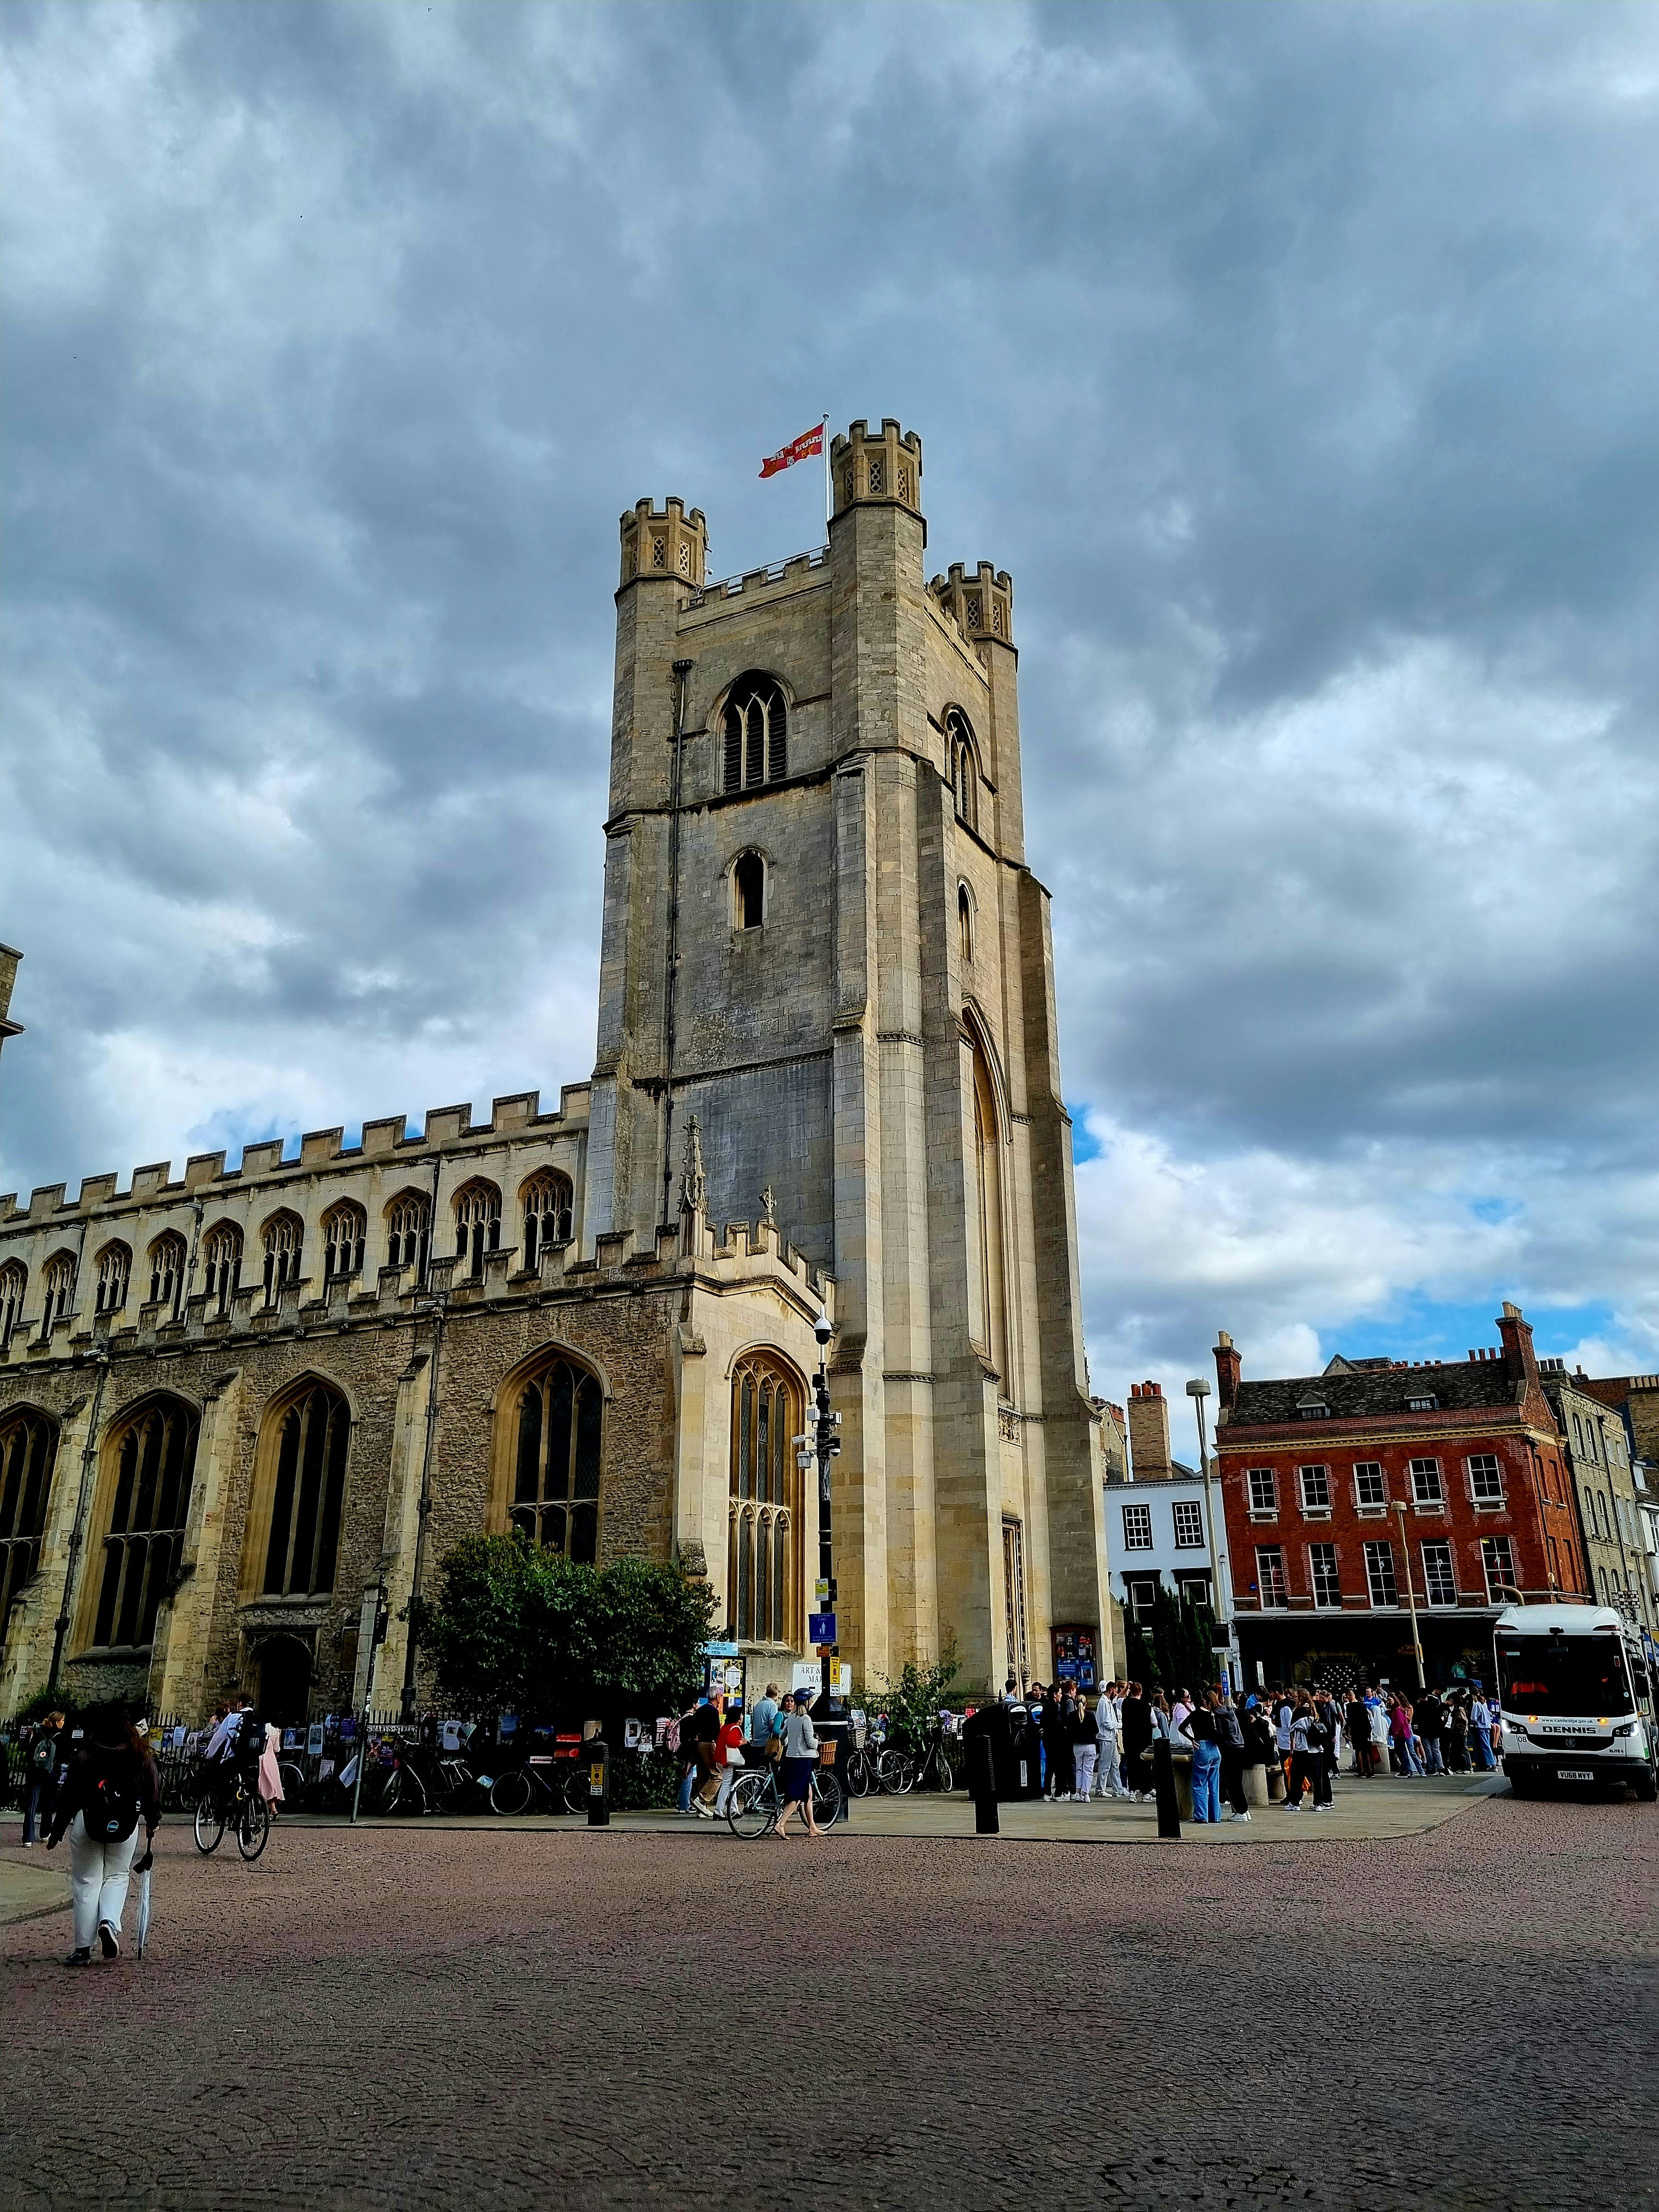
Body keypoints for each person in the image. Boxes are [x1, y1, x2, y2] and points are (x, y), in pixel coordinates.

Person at [47, 1703, 160, 1965]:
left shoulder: (86, 1755)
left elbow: (68, 1795)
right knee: (117, 1875)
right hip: (126, 1824)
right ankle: (109, 1922)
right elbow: (153, 1787)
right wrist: (153, 1819)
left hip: (88, 1821)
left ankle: (83, 1949)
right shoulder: (139, 1755)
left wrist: (57, 1830)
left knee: (87, 1881)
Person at [774, 1694, 821, 1840]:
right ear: (806, 1703)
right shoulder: (805, 1719)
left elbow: (782, 1738)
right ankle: (781, 1823)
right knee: (797, 1797)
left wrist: (792, 1743)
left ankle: (812, 1827)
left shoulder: (791, 1718)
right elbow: (810, 1742)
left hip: (790, 1759)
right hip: (803, 1760)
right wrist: (817, 1742)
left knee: (808, 1795)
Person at [21, 1710, 65, 1848]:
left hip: (35, 1773)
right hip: (50, 1774)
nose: (64, 1723)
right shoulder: (60, 1737)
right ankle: (45, 1833)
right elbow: (62, 1757)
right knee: (48, 1805)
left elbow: (28, 1753)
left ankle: (28, 1838)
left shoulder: (38, 1733)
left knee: (32, 1806)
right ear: (58, 1722)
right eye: (63, 1721)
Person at [1215, 1691, 1250, 1820]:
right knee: (1237, 1782)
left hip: (1230, 1750)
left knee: (1231, 1782)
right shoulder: (1231, 1712)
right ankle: (1244, 1810)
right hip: (1239, 1747)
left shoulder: (1218, 1715)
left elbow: (1220, 1734)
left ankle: (1241, 1811)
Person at [1187, 1693, 1222, 1822]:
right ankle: (1216, 1816)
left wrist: (1192, 1739)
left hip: (1201, 1747)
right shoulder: (1211, 1715)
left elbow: (1182, 1728)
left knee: (1199, 1783)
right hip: (1215, 1749)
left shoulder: (1194, 1714)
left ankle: (1202, 1816)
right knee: (1214, 1784)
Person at [1119, 1681, 1152, 1801]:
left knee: (1131, 1764)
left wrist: (1126, 1688)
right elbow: (1154, 1722)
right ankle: (1145, 1793)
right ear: (1141, 1692)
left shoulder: (1125, 1704)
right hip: (1143, 1740)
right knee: (1144, 1765)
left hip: (1129, 1739)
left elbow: (1118, 1698)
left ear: (1130, 1691)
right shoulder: (1147, 1707)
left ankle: (1132, 1792)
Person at [1095, 1683, 1128, 1800]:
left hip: (1111, 1737)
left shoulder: (1108, 1701)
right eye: (1114, 1690)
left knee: (1114, 1764)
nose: (1116, 1692)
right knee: (1105, 1764)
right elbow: (1107, 1722)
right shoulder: (1104, 1702)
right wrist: (1121, 1725)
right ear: (1110, 1690)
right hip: (1106, 1737)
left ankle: (1118, 1788)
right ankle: (1100, 1789)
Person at [1068, 1691, 1097, 1804]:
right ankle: (1086, 1793)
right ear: (1086, 1703)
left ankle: (1078, 1793)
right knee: (1088, 1770)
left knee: (1079, 1769)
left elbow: (1069, 1731)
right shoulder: (1090, 1715)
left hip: (1077, 1746)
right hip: (1090, 1745)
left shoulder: (1072, 1716)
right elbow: (1096, 1730)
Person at [1416, 1689, 1446, 1775]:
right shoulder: (1433, 1705)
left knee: (1428, 1750)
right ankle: (1441, 1767)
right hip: (1435, 1730)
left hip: (1424, 1731)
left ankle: (1431, 1768)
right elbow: (1439, 1717)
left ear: (1419, 1696)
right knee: (1436, 1749)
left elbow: (1417, 1719)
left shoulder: (1418, 1707)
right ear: (1427, 1696)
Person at [1469, 1689, 1496, 1770]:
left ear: (1473, 1696)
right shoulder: (1484, 1704)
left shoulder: (1477, 1705)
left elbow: (1474, 1718)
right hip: (1487, 1726)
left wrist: (1474, 1723)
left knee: (1485, 1746)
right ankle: (1491, 1763)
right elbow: (1490, 1715)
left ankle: (1491, 1764)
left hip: (1481, 1727)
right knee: (1488, 1745)